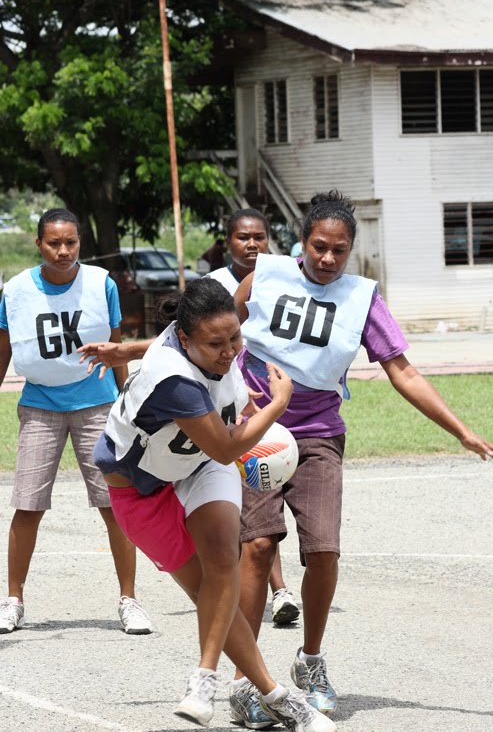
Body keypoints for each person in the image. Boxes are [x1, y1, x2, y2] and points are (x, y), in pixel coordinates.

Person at [228, 190, 493, 721]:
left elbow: (402, 370)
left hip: (318, 433)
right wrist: (226, 388)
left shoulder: (361, 298)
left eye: (340, 251)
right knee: (258, 545)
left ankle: (309, 661)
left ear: (352, 250)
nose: (328, 259)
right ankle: (247, 677)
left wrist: (462, 431)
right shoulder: (266, 276)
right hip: (259, 430)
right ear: (303, 239)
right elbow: (217, 333)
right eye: (319, 247)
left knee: (324, 552)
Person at [88, 277, 335, 732]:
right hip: (141, 488)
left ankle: (203, 680)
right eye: (216, 343)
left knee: (224, 558)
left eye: (235, 337)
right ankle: (279, 696)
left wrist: (125, 351)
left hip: (200, 462)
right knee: (205, 590)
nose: (229, 350)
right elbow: (224, 447)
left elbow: (216, 453)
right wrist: (277, 407)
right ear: (184, 339)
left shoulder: (195, 331)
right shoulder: (173, 381)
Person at [0, 208, 153, 636]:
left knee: (114, 506)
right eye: (54, 243)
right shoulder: (14, 291)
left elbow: (118, 348)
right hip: (40, 405)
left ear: (80, 242)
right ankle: (13, 599)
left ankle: (129, 599)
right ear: (38, 244)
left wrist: (127, 401)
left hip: (97, 405)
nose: (63, 250)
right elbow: (4, 348)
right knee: (27, 505)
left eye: (71, 242)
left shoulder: (101, 284)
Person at [207, 208, 301, 633]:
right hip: (229, 407)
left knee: (265, 492)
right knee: (249, 510)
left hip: (275, 405)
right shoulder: (216, 288)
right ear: (228, 241)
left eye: (259, 237)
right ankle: (255, 588)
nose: (252, 244)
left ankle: (279, 590)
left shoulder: (282, 282)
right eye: (243, 237)